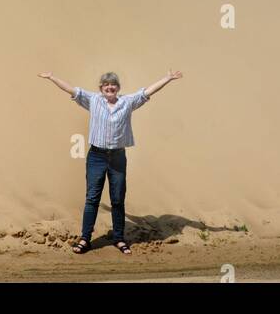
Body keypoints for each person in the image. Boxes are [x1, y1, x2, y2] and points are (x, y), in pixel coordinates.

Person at [38, 69, 183, 254]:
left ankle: (119, 238)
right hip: (96, 157)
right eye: (106, 85)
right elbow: (72, 91)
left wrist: (168, 78)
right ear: (101, 88)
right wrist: (52, 78)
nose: (109, 87)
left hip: (117, 158)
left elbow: (146, 92)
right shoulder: (93, 100)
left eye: (113, 84)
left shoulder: (127, 102)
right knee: (92, 198)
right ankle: (85, 239)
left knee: (117, 199)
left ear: (118, 88)